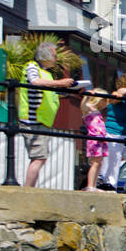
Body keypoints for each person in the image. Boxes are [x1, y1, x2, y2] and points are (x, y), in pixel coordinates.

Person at [20, 42, 81, 188]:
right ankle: (27, 189)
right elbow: (35, 82)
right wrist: (60, 83)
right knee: (39, 157)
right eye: (54, 56)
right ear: (45, 56)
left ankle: (29, 188)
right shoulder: (32, 67)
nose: (56, 59)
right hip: (33, 120)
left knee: (39, 157)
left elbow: (48, 92)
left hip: (41, 120)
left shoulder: (46, 72)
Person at [81, 91, 109, 192]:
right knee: (95, 162)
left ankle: (93, 185)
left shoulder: (97, 111)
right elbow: (84, 105)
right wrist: (88, 95)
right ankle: (90, 185)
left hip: (101, 139)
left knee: (99, 163)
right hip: (94, 139)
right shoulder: (90, 109)